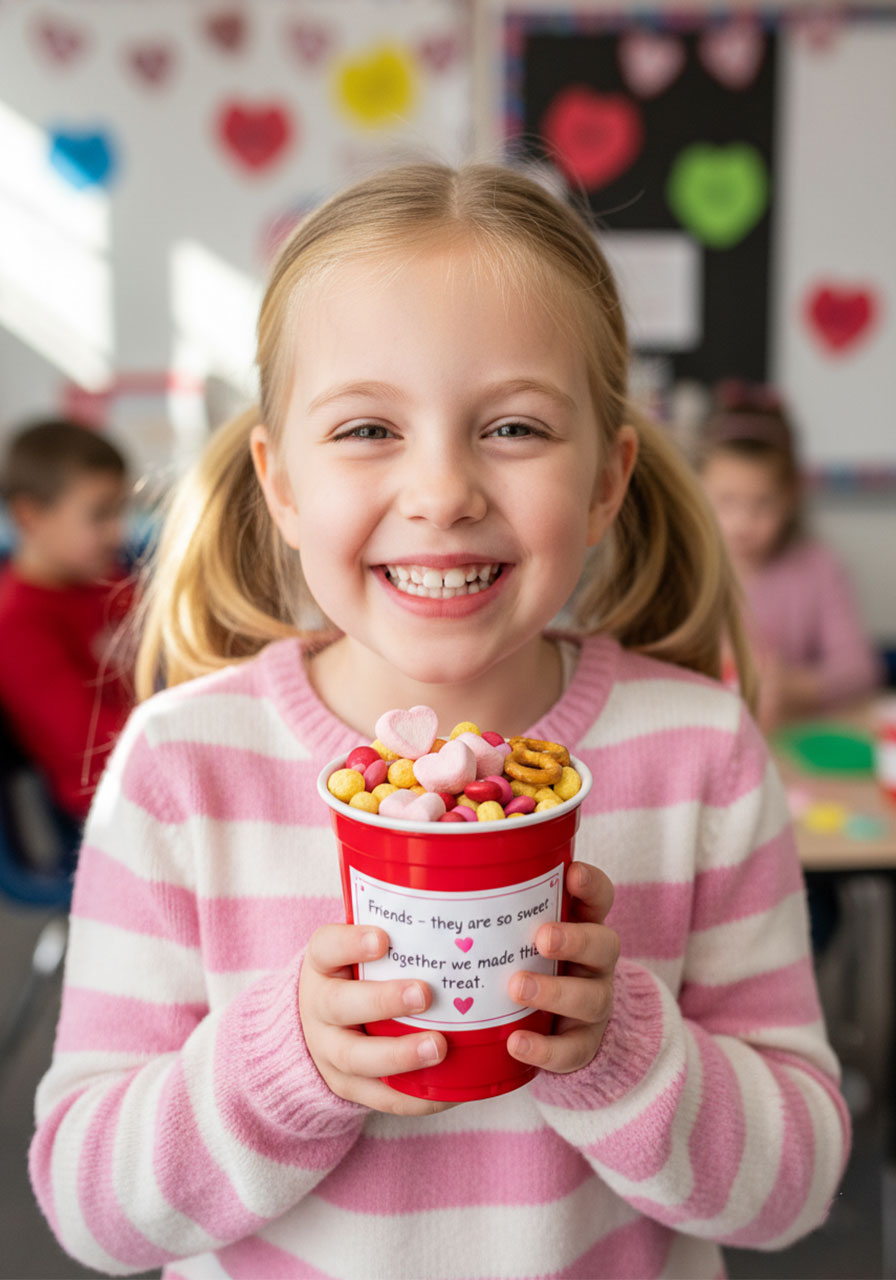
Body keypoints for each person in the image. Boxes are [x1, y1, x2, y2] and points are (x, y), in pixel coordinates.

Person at [29, 165, 849, 1280]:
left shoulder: (699, 754)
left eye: (511, 425)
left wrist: (628, 1055)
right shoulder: (182, 768)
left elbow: (791, 1189)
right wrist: (278, 1067)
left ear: (606, 479)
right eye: (367, 426)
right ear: (280, 482)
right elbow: (88, 1203)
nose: (442, 490)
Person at [698, 382, 880, 731]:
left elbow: (861, 670)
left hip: (792, 745)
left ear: (790, 497)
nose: (743, 523)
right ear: (696, 490)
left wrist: (791, 685)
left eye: (763, 503)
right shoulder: (682, 569)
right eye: (726, 501)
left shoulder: (819, 569)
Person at [0, 417, 134, 821]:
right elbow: (88, 745)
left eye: (120, 511)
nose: (117, 532)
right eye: (99, 515)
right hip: (108, 805)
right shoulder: (16, 623)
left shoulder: (106, 576)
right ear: (30, 516)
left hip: (154, 759)